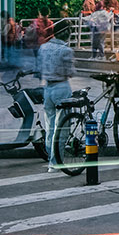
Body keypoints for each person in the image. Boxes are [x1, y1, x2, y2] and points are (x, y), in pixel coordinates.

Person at [37, 22, 76, 164]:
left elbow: (39, 69)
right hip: (61, 87)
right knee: (62, 128)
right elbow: (70, 72)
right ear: (66, 33)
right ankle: (55, 162)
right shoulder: (66, 50)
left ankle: (50, 157)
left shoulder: (43, 48)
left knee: (50, 126)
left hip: (47, 88)